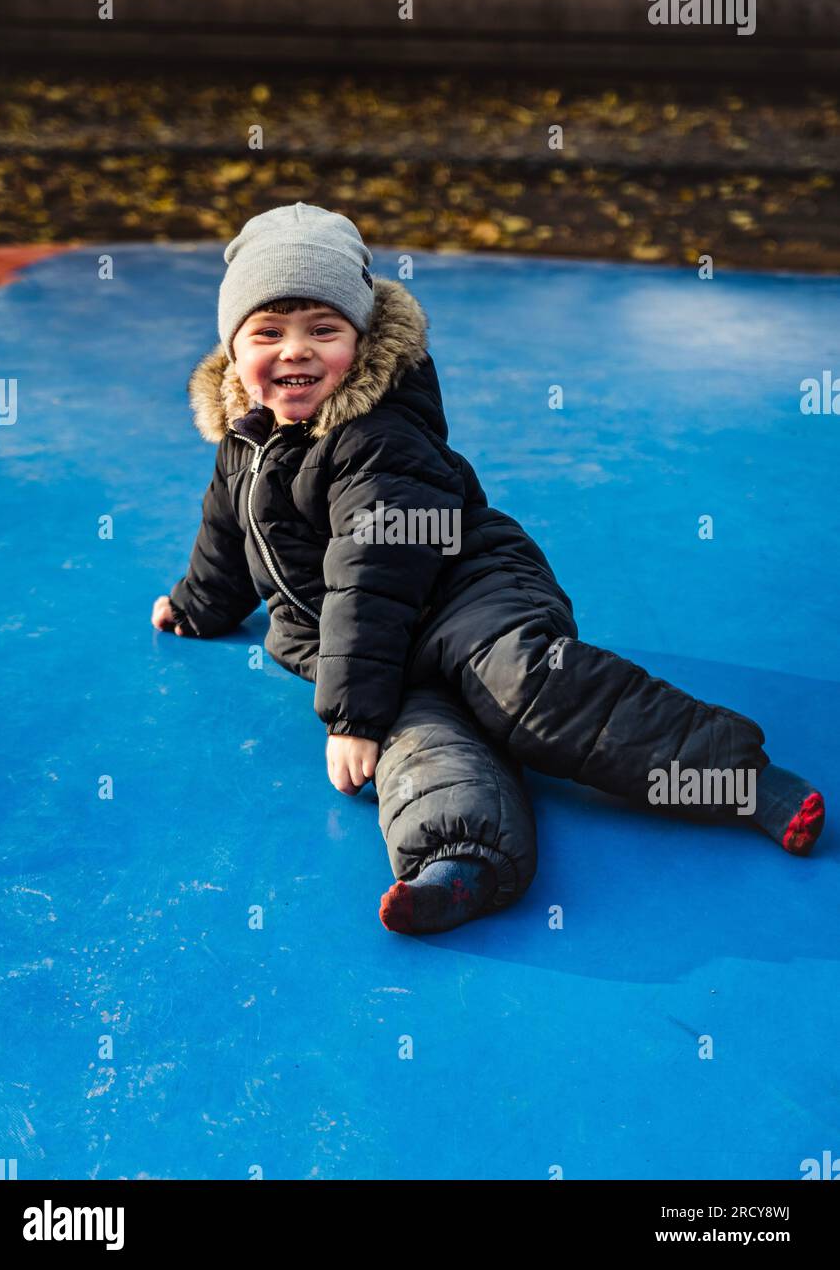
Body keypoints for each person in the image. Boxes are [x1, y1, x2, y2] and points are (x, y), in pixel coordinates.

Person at [152, 202, 825, 935]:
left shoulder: (377, 436)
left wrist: (349, 714)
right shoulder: (244, 441)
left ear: (362, 338)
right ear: (233, 348)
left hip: (468, 592)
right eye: (268, 332)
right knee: (419, 745)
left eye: (324, 330)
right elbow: (227, 531)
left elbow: (373, 569)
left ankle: (742, 781)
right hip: (365, 645)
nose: (296, 352)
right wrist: (200, 604)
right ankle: (458, 867)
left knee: (525, 691)